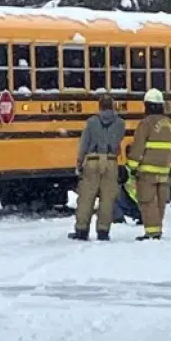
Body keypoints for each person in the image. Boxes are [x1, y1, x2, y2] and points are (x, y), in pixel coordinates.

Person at [71, 95, 126, 241]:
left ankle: (81, 230)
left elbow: (84, 143)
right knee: (107, 199)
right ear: (113, 106)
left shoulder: (91, 122)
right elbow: (118, 140)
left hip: (93, 160)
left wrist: (79, 162)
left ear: (100, 106)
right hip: (110, 161)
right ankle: (103, 230)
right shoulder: (121, 123)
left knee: (86, 198)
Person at [126, 88, 171, 240]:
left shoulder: (145, 123)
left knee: (147, 202)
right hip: (164, 171)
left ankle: (152, 232)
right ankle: (158, 229)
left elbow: (138, 146)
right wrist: (170, 167)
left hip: (147, 171)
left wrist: (132, 167)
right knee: (160, 202)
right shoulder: (169, 124)